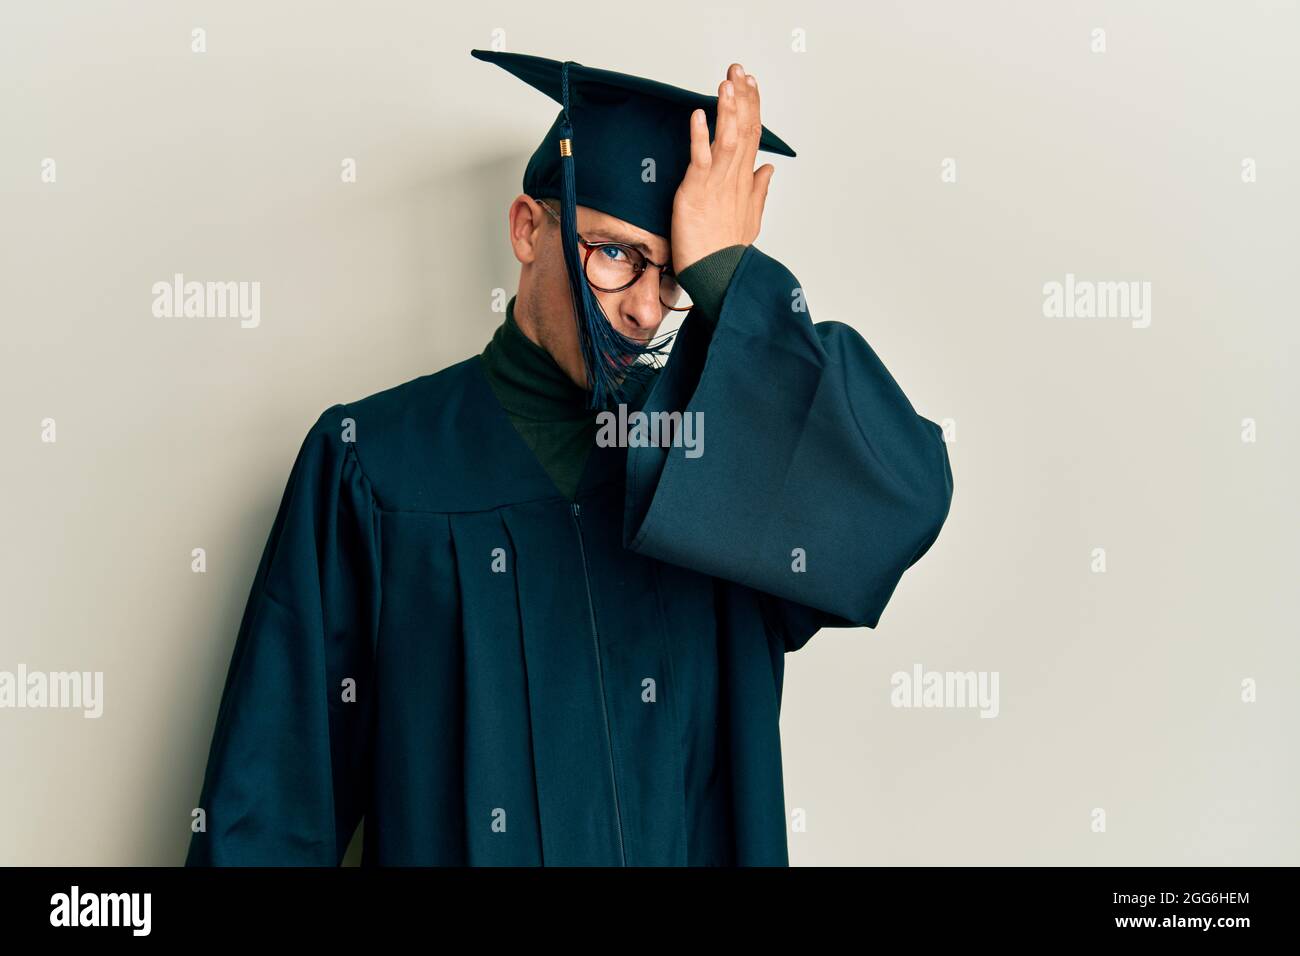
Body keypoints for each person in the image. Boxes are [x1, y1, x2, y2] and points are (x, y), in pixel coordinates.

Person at [184, 51, 954, 867]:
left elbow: (901, 499)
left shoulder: (722, 461)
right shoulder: (375, 467)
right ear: (527, 228)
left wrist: (731, 278)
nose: (646, 308)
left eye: (676, 274)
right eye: (617, 255)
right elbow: (270, 816)